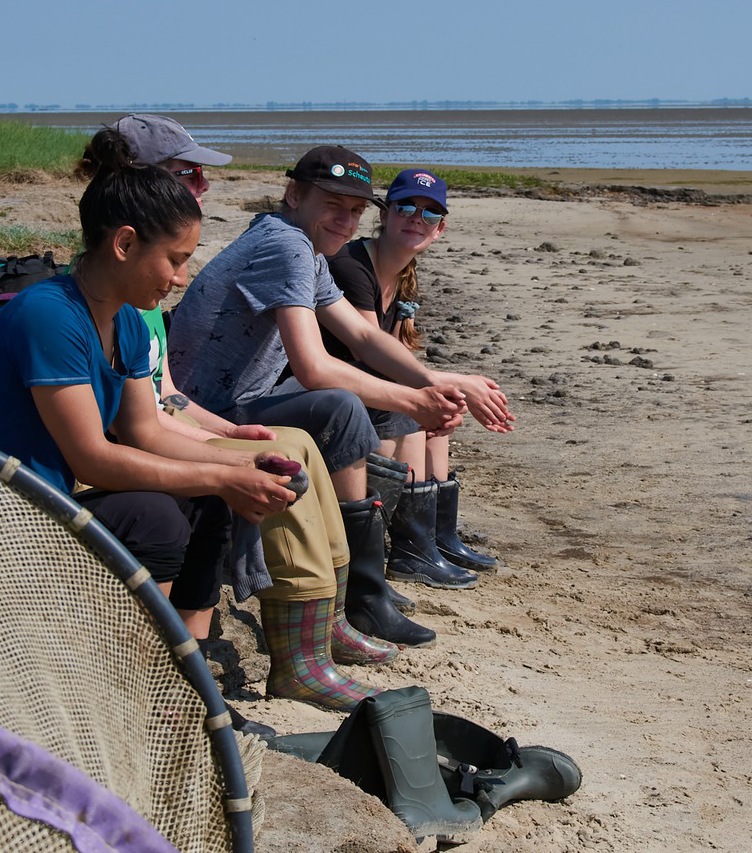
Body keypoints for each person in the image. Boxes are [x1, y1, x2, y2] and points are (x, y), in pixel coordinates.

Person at [0, 157, 370, 711]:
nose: (179, 278)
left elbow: (144, 428)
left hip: (47, 504)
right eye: (174, 260)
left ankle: (189, 657)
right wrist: (221, 475)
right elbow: (94, 459)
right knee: (157, 515)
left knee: (211, 494)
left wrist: (235, 469)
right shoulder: (47, 316)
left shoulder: (124, 319)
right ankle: (147, 674)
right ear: (124, 244)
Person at [72, 115, 396, 709]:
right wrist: (224, 463)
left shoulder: (128, 304)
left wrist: (228, 434)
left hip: (185, 420)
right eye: (189, 175)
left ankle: (321, 625)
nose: (182, 278)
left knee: (288, 445)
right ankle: (296, 653)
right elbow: (119, 436)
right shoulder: (92, 306)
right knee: (276, 455)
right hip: (38, 494)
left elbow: (162, 398)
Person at [167, 146, 512, 648]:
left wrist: (432, 384)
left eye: (354, 210)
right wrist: (414, 401)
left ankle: (370, 584)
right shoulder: (285, 245)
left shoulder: (304, 247)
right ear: (293, 194)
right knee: (344, 406)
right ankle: (358, 598)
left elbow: (365, 338)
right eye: (333, 204)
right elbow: (313, 367)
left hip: (245, 394)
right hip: (211, 410)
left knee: (371, 403)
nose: (346, 220)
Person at [325, 168, 505, 579]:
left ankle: (435, 536)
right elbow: (368, 351)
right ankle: (412, 547)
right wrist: (452, 383)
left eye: (429, 214)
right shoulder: (351, 265)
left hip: (358, 388)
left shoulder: (404, 273)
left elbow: (399, 359)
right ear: (385, 215)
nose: (416, 218)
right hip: (332, 391)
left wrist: (445, 392)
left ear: (440, 229)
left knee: (435, 406)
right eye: (406, 207)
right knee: (410, 414)